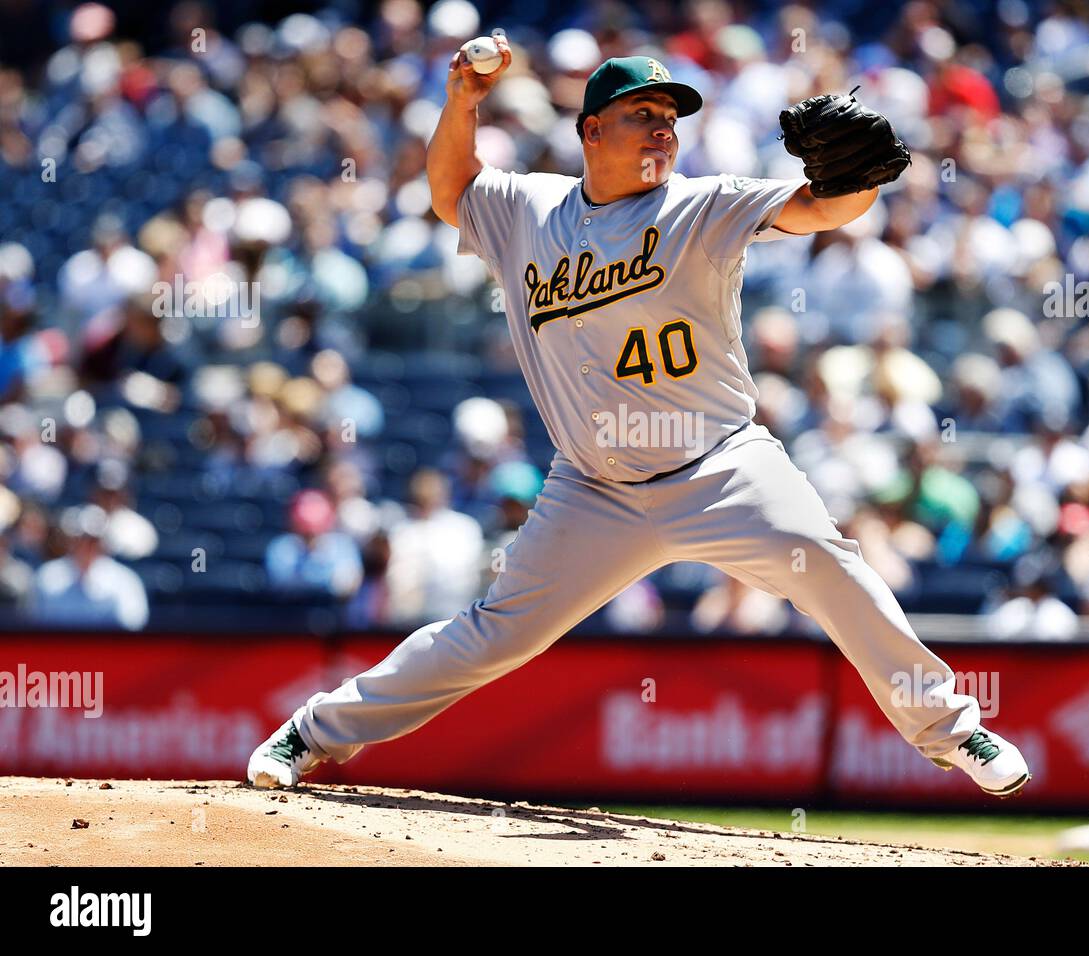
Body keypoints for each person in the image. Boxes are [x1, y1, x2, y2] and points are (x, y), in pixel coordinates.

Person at [247, 38, 1031, 798]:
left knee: (828, 563)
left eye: (671, 114)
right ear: (591, 130)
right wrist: (461, 103)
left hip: (721, 467)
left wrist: (862, 184)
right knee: (495, 634)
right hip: (592, 489)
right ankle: (311, 732)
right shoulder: (529, 207)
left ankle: (955, 729)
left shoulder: (704, 205)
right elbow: (451, 191)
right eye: (642, 112)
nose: (664, 126)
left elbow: (821, 207)